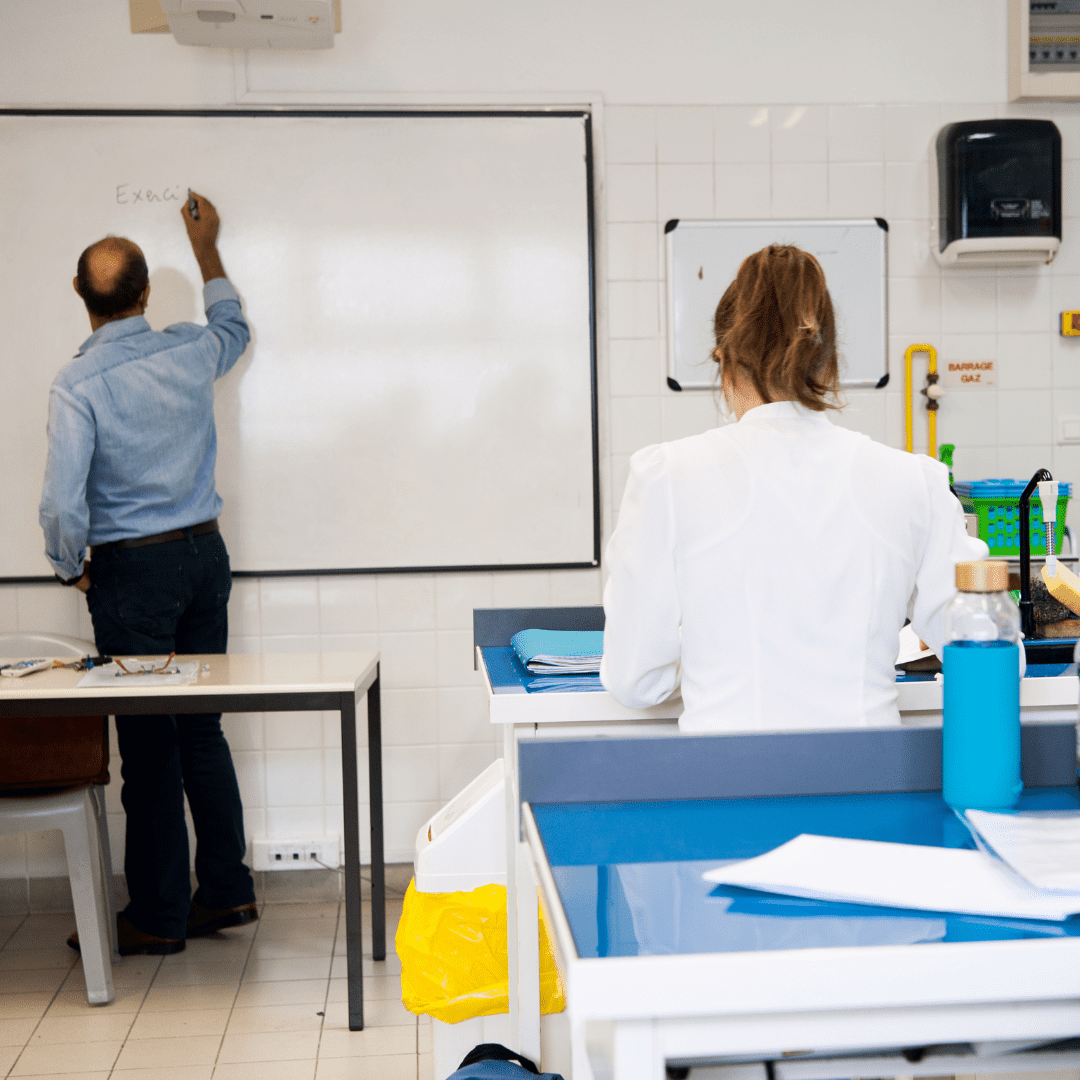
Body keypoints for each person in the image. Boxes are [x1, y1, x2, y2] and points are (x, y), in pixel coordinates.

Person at [600, 244, 988, 733]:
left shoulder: (668, 474)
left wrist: (710, 654)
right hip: (872, 790)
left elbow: (636, 683)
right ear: (828, 361)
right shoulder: (913, 480)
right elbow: (987, 647)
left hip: (729, 793)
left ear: (724, 361)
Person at [40, 193, 257, 955]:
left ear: (80, 297)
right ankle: (226, 893)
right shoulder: (187, 349)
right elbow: (235, 328)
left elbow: (64, 505)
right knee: (203, 734)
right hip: (205, 558)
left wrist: (72, 570)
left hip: (133, 574)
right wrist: (207, 251)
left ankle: (159, 916)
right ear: (144, 296)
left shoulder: (79, 386)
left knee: (150, 750)